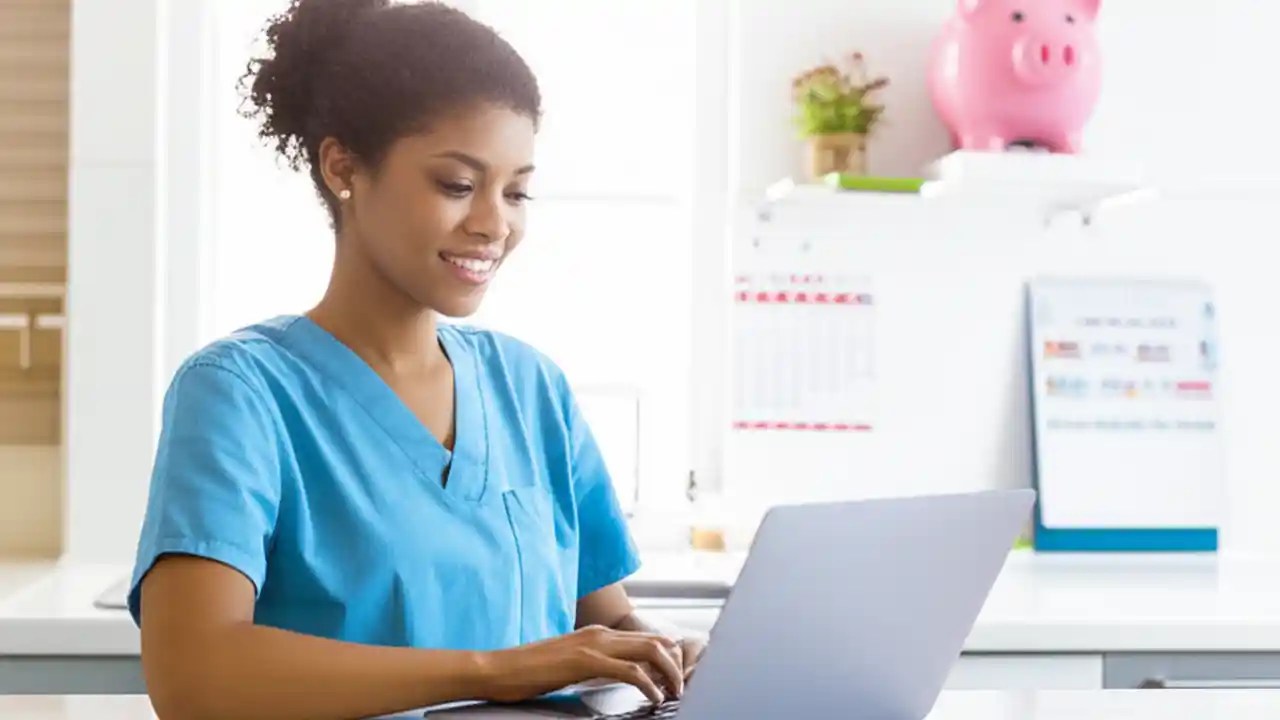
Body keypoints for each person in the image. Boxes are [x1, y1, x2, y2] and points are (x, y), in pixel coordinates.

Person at [127, 1, 705, 718]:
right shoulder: (240, 395)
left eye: (517, 191)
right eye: (458, 185)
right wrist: (492, 671)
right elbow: (194, 676)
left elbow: (607, 625)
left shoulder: (531, 388)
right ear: (343, 167)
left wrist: (670, 653)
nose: (495, 223)